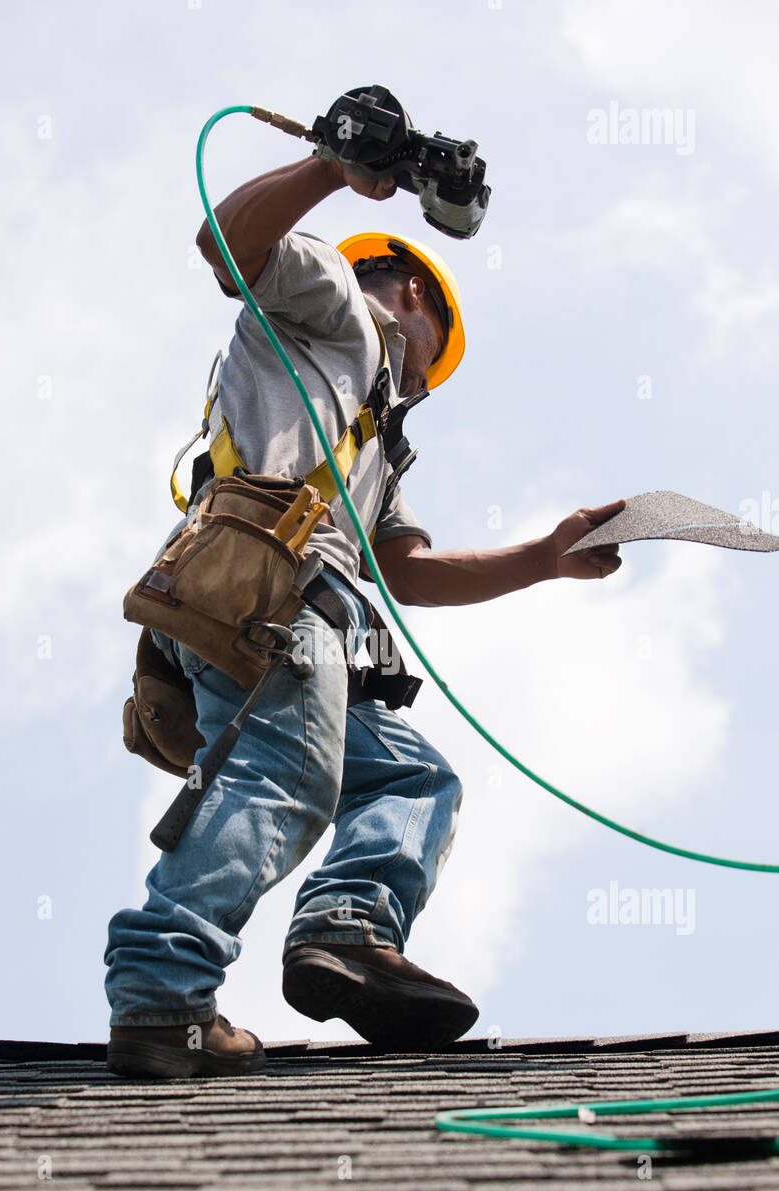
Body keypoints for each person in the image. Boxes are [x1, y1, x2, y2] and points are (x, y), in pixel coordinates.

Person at [104, 153, 624, 1079]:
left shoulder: (382, 437)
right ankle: (160, 993)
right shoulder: (333, 307)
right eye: (403, 281)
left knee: (412, 780)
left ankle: (345, 930)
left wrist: (543, 559)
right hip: (270, 589)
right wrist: (333, 168)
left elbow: (405, 570)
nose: (408, 296)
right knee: (283, 777)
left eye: (420, 292)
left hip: (294, 608)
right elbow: (228, 241)